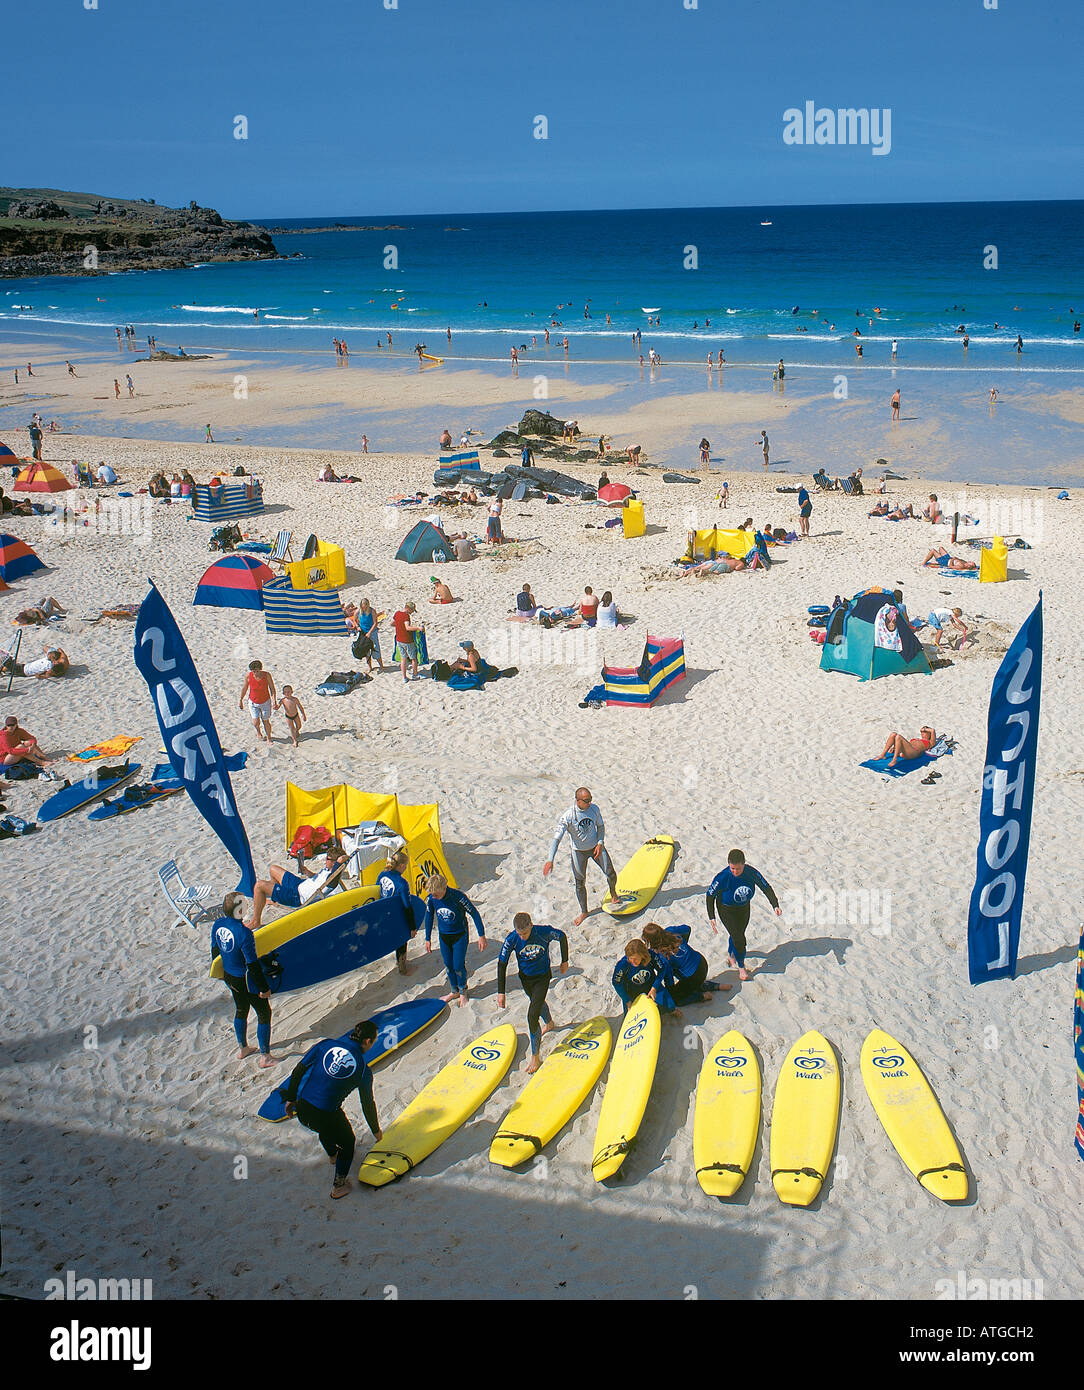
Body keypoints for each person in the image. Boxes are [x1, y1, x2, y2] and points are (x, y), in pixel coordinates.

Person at [281, 1019, 382, 1200]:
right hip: (324, 1116)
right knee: (348, 1142)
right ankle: (339, 1186)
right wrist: (376, 1130)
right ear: (367, 1041)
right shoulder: (363, 1071)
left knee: (328, 1126)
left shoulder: (325, 1045)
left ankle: (333, 1155)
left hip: (302, 1109)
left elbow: (298, 1071)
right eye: (373, 1042)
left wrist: (290, 1098)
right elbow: (367, 1103)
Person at [210, 892, 279, 1070]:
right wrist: (263, 988)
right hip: (245, 980)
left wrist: (219, 972)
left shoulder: (218, 925)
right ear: (240, 911)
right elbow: (252, 964)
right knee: (264, 1013)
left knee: (241, 1009)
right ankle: (265, 1057)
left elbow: (215, 952)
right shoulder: (244, 934)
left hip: (228, 976)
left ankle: (243, 1048)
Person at [496, 912, 569, 1072]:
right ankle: (549, 1023)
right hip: (525, 979)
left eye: (525, 933)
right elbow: (502, 963)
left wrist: (564, 960)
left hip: (542, 977)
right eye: (519, 934)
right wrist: (501, 992)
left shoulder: (542, 932)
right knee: (537, 1003)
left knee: (532, 1015)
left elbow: (562, 936)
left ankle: (535, 1057)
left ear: (530, 925)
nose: (522, 937)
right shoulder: (512, 939)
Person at [542, 786, 620, 925]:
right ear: (577, 801)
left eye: (590, 799)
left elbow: (600, 827)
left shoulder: (594, 809)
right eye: (586, 800)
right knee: (580, 883)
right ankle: (584, 911)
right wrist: (550, 860)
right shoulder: (568, 816)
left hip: (596, 847)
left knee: (611, 874)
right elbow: (556, 839)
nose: (589, 803)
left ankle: (613, 893)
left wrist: (600, 842)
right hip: (578, 852)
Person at [706, 849, 782, 982]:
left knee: (738, 933)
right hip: (726, 909)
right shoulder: (722, 877)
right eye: (732, 868)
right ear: (729, 864)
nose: (735, 872)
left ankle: (731, 954)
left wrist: (775, 904)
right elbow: (710, 895)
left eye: (738, 869)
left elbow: (765, 887)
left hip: (743, 908)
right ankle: (741, 967)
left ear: (744, 864)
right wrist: (712, 916)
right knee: (739, 939)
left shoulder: (751, 872)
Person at [247, 845, 349, 931]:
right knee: (273, 869)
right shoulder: (327, 870)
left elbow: (341, 860)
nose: (325, 860)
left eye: (328, 858)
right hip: (299, 884)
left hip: (296, 896)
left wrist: (343, 859)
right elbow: (318, 879)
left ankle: (255, 921)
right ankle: (275, 898)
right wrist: (308, 872)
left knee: (259, 886)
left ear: (335, 863)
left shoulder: (332, 878)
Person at [423, 872, 487, 1004]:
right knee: (448, 965)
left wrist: (481, 935)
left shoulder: (457, 897)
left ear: (444, 888)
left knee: (458, 965)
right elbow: (429, 917)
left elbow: (474, 913)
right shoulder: (432, 899)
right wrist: (427, 938)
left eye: (436, 894)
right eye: (432, 894)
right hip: (444, 937)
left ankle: (463, 991)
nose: (433, 897)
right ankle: (454, 991)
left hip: (460, 935)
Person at [641, 922, 728, 1004]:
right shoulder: (671, 930)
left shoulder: (663, 956)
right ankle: (708, 985)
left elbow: (669, 980)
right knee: (682, 972)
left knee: (675, 999)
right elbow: (687, 929)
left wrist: (671, 993)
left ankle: (702, 996)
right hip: (701, 961)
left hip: (694, 976)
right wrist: (682, 942)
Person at [377, 848, 416, 976]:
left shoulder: (382, 874)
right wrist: (412, 927)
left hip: (382, 913)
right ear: (402, 866)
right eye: (406, 866)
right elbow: (407, 906)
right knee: (401, 939)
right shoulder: (402, 883)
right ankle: (402, 967)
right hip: (395, 915)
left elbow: (376, 891)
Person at [611, 939, 671, 1011]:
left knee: (671, 1007)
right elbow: (616, 984)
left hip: (650, 987)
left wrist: (654, 987)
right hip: (632, 993)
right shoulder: (623, 964)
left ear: (642, 955)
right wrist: (627, 1001)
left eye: (635, 959)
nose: (632, 961)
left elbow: (662, 969)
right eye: (630, 958)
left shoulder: (650, 955)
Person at [239, 659, 276, 743]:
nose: (255, 673)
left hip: (265, 701)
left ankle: (269, 738)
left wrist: (274, 701)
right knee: (255, 722)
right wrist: (241, 699)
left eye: (257, 671)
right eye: (254, 671)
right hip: (253, 702)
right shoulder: (248, 676)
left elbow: (272, 689)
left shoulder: (267, 675)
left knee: (265, 721)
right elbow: (244, 688)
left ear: (261, 669)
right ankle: (258, 732)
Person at [392, 601, 423, 682]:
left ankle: (404, 677)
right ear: (408, 609)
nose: (412, 613)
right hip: (407, 641)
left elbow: (392, 623)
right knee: (414, 659)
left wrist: (399, 626)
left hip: (399, 639)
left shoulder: (397, 613)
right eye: (412, 611)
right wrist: (418, 628)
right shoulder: (406, 616)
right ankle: (415, 675)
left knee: (403, 659)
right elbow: (407, 628)